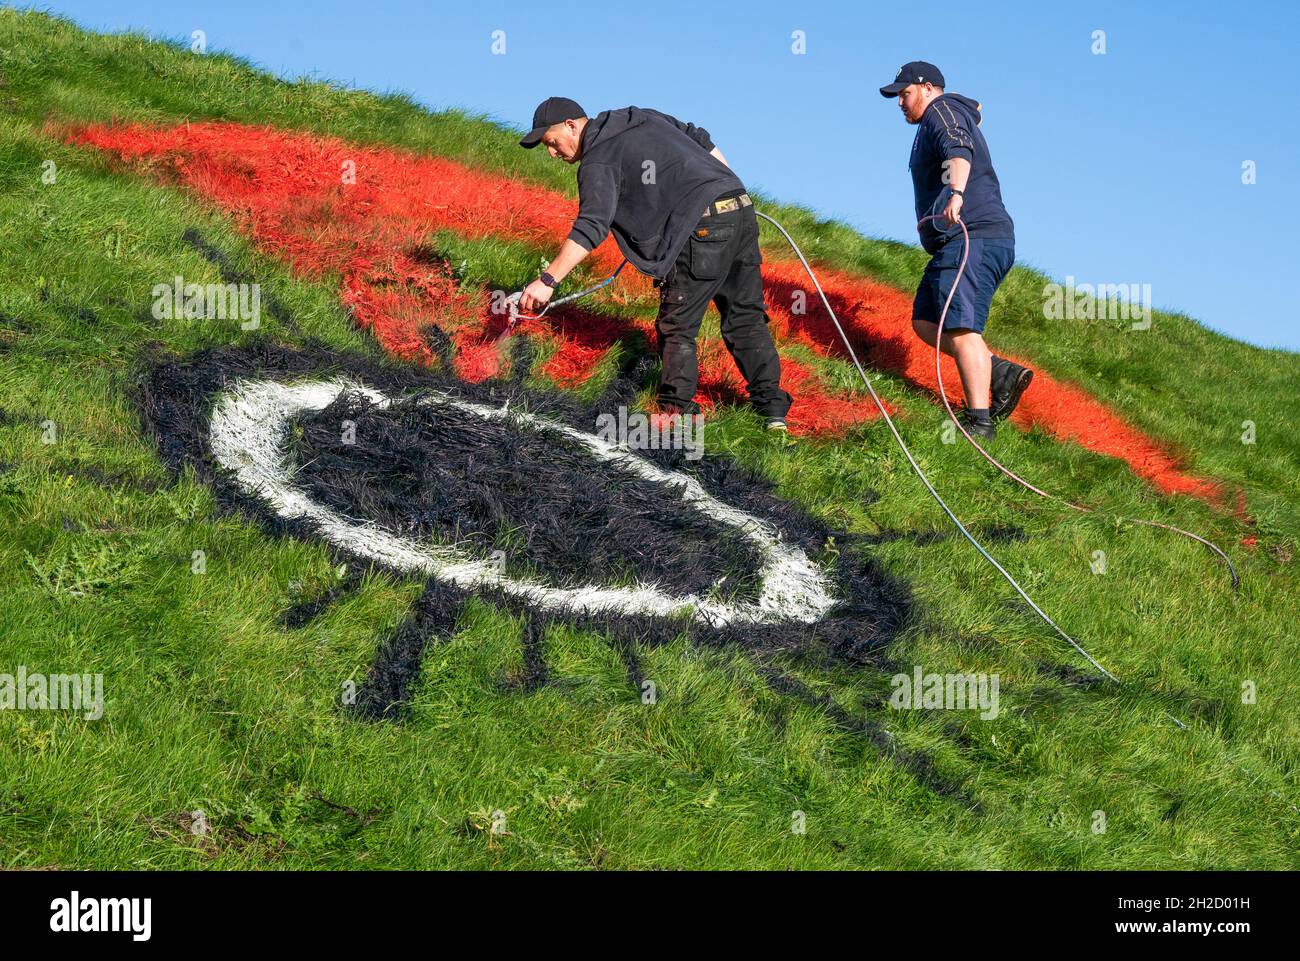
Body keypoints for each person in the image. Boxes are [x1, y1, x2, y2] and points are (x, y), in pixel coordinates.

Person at [517, 97, 792, 429]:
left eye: (551, 142)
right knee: (745, 316)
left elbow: (592, 225)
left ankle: (676, 414)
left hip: (702, 226)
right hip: (740, 208)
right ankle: (772, 412)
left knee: (677, 325)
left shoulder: (598, 160)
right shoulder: (640, 117)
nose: (552, 153)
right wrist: (725, 190)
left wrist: (547, 281)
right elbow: (701, 138)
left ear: (571, 126)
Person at [880, 62, 1033, 437]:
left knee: (962, 328)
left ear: (928, 88)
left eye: (905, 92)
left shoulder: (942, 111)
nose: (900, 101)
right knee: (925, 323)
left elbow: (958, 150)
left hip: (975, 235)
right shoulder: (935, 117)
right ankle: (998, 371)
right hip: (954, 242)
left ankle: (979, 423)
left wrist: (956, 192)